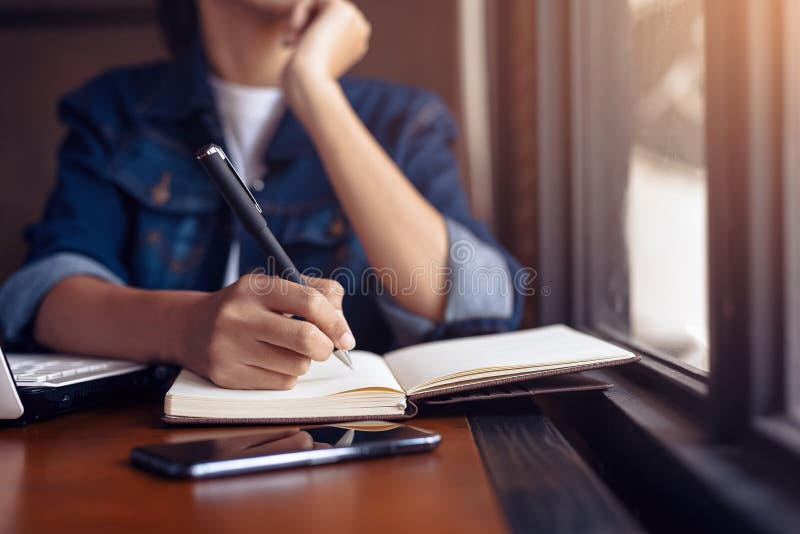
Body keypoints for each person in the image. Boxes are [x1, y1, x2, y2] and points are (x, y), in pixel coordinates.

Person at [0, 0, 522, 390]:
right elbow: (44, 297)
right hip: (146, 447)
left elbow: (479, 306)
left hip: (353, 453)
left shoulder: (403, 120)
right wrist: (186, 328)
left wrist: (314, 88)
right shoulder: (114, 111)